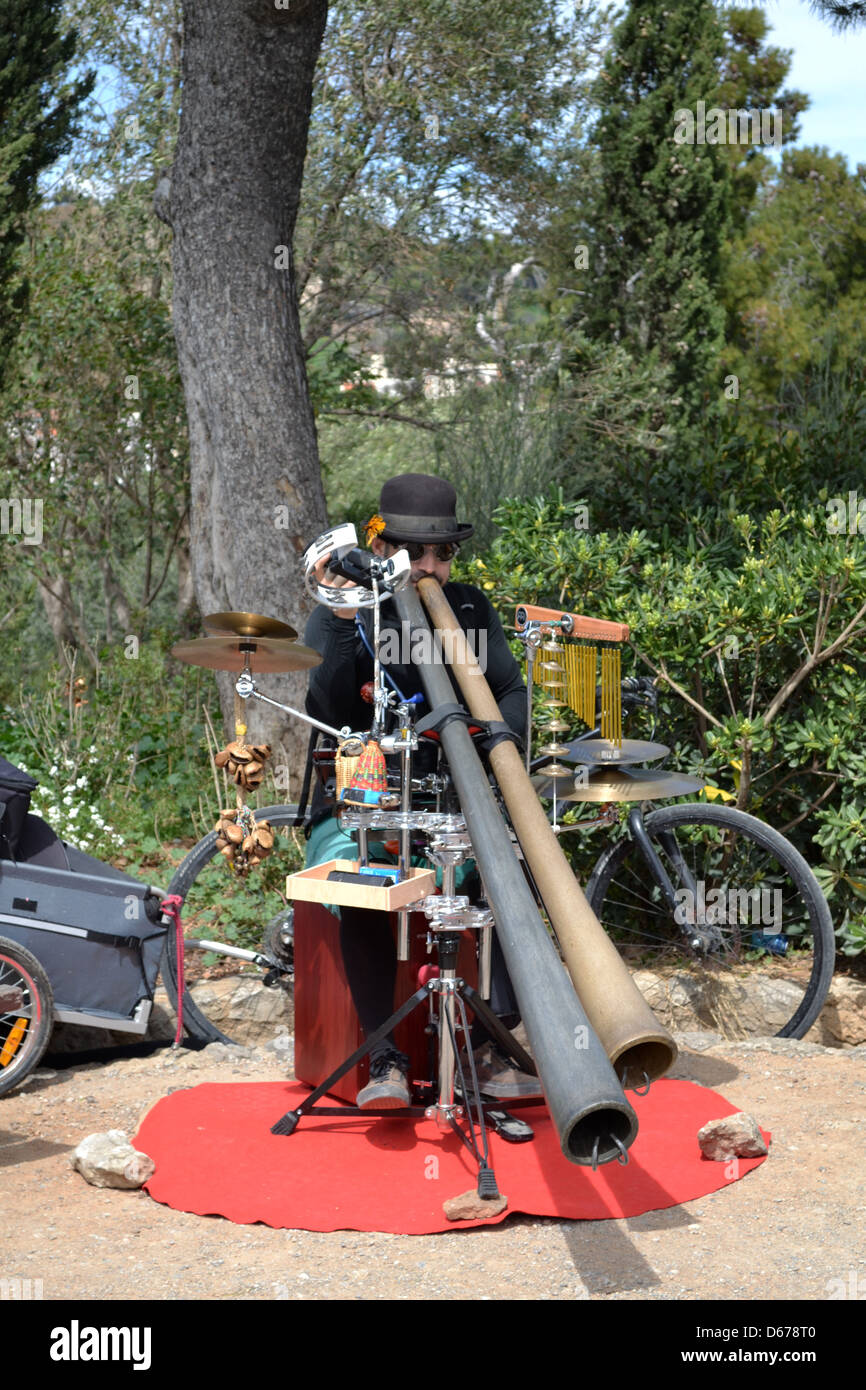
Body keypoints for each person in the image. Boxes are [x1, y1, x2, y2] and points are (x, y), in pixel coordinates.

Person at [303, 473, 536, 1108]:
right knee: (362, 886)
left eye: (442, 553)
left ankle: (490, 1051)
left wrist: (494, 747)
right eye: (415, 551)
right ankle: (387, 1063)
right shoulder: (350, 613)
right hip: (366, 806)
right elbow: (322, 700)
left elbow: (511, 691)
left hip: (452, 803)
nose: (430, 565)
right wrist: (345, 614)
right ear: (381, 549)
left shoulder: (468, 609)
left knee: (508, 873)